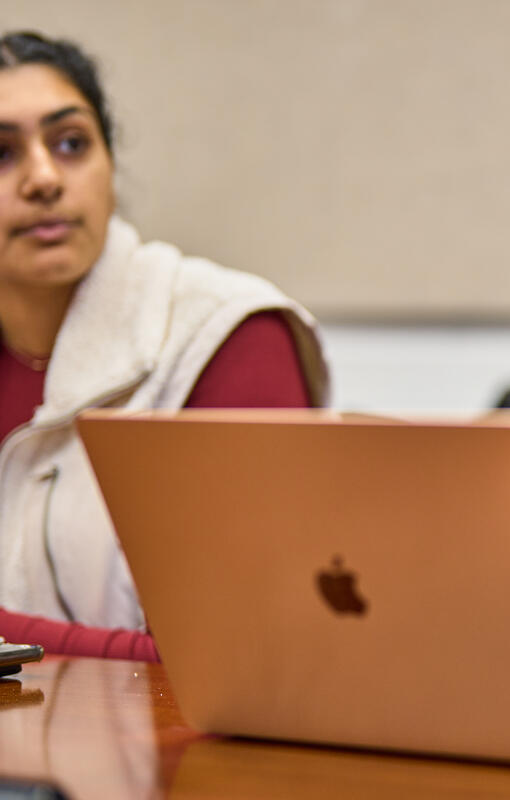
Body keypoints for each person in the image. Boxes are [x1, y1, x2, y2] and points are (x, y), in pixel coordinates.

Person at [0, 32, 329, 659]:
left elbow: (247, 658)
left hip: (177, 754)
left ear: (110, 165)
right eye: (1, 154)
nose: (44, 178)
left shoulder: (230, 335)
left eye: (71, 144)